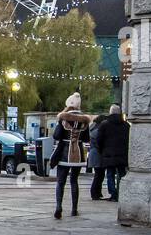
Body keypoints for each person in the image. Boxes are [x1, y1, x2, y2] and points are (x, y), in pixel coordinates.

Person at [49, 92, 91, 220]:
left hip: (64, 153)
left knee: (60, 182)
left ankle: (58, 207)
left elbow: (56, 136)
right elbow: (87, 138)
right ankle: (74, 209)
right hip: (78, 153)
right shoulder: (84, 120)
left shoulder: (63, 118)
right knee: (74, 181)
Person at [92, 104, 131, 202]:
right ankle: (121, 192)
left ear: (110, 112)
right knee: (121, 174)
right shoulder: (126, 125)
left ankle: (113, 194)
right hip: (122, 154)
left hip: (108, 154)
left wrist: (101, 150)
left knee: (110, 174)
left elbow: (99, 139)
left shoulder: (105, 124)